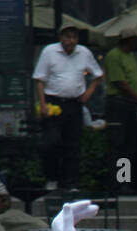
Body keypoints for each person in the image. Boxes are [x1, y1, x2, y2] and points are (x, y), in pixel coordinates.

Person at [33, 25, 103, 191]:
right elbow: (39, 80)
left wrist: (89, 92)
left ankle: (70, 182)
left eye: (74, 37)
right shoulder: (49, 51)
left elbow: (98, 75)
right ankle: (52, 177)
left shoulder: (84, 52)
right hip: (53, 102)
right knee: (52, 142)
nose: (71, 41)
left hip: (74, 103)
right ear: (60, 37)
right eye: (67, 37)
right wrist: (43, 104)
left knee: (73, 145)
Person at [105, 28, 137, 194]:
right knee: (120, 145)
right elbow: (120, 82)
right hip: (119, 103)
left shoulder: (131, 56)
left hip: (131, 104)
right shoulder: (114, 56)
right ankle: (119, 183)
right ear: (127, 40)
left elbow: (135, 82)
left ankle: (131, 181)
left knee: (131, 145)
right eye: (135, 40)